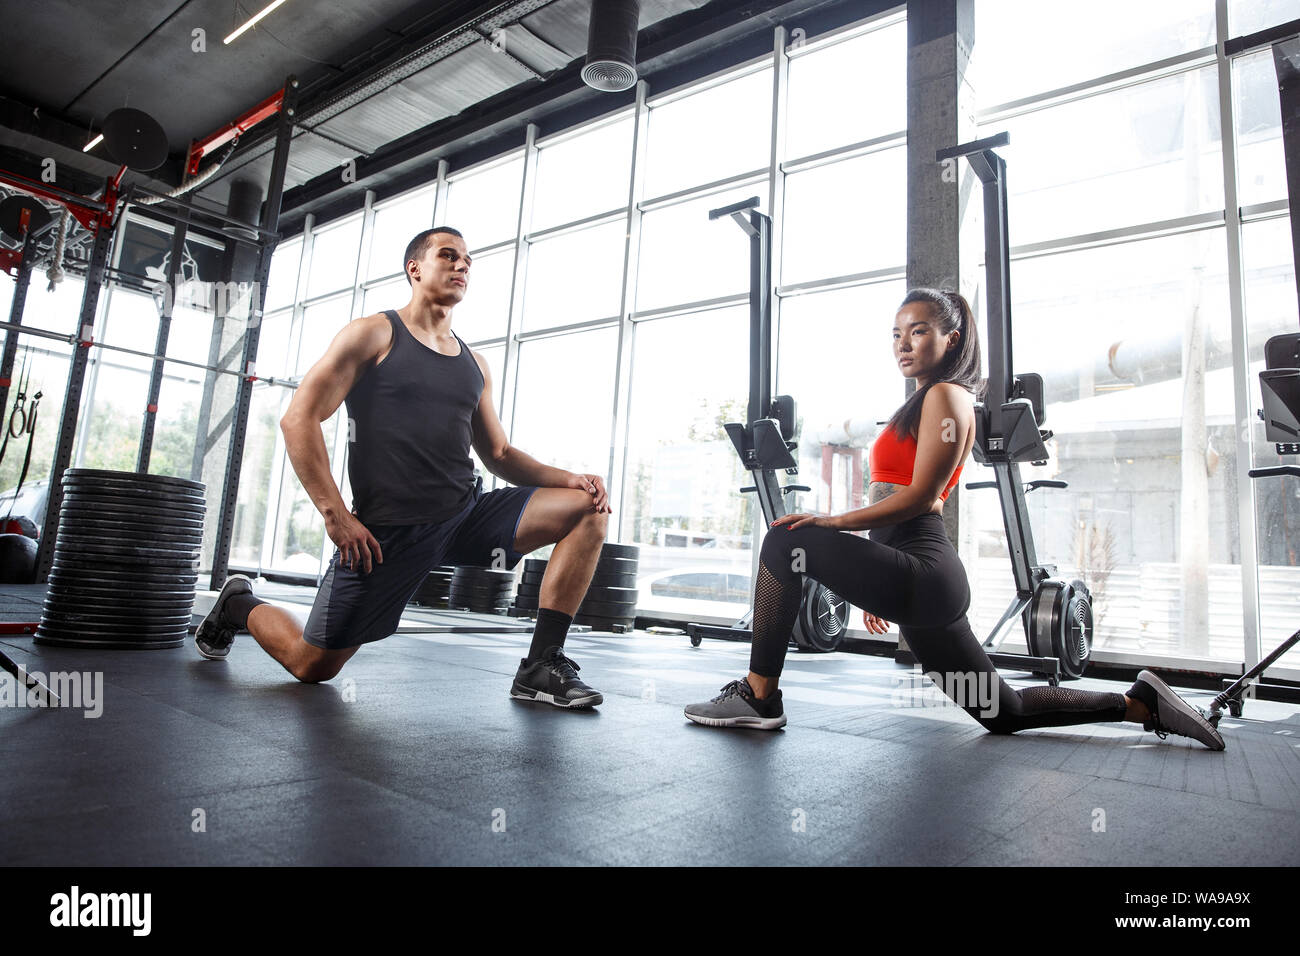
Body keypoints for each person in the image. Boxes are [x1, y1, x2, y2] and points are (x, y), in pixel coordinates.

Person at [683, 288, 1225, 750]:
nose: (903, 344)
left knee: (785, 540)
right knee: (1004, 711)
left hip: (924, 568)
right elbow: (913, 501)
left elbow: (921, 499)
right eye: (896, 334)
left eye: (918, 332)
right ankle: (1140, 704)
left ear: (952, 338)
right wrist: (876, 581)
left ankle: (759, 696)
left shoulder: (946, 395)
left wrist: (833, 524)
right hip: (916, 577)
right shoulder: (926, 400)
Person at [195, 226, 612, 708]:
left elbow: (497, 454)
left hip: (465, 516)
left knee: (587, 507)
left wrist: (571, 479)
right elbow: (298, 419)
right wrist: (336, 515)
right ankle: (237, 604)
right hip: (388, 535)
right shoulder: (374, 333)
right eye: (449, 256)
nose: (462, 266)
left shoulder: (474, 363)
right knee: (311, 666)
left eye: (468, 260)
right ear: (415, 269)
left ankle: (541, 664)